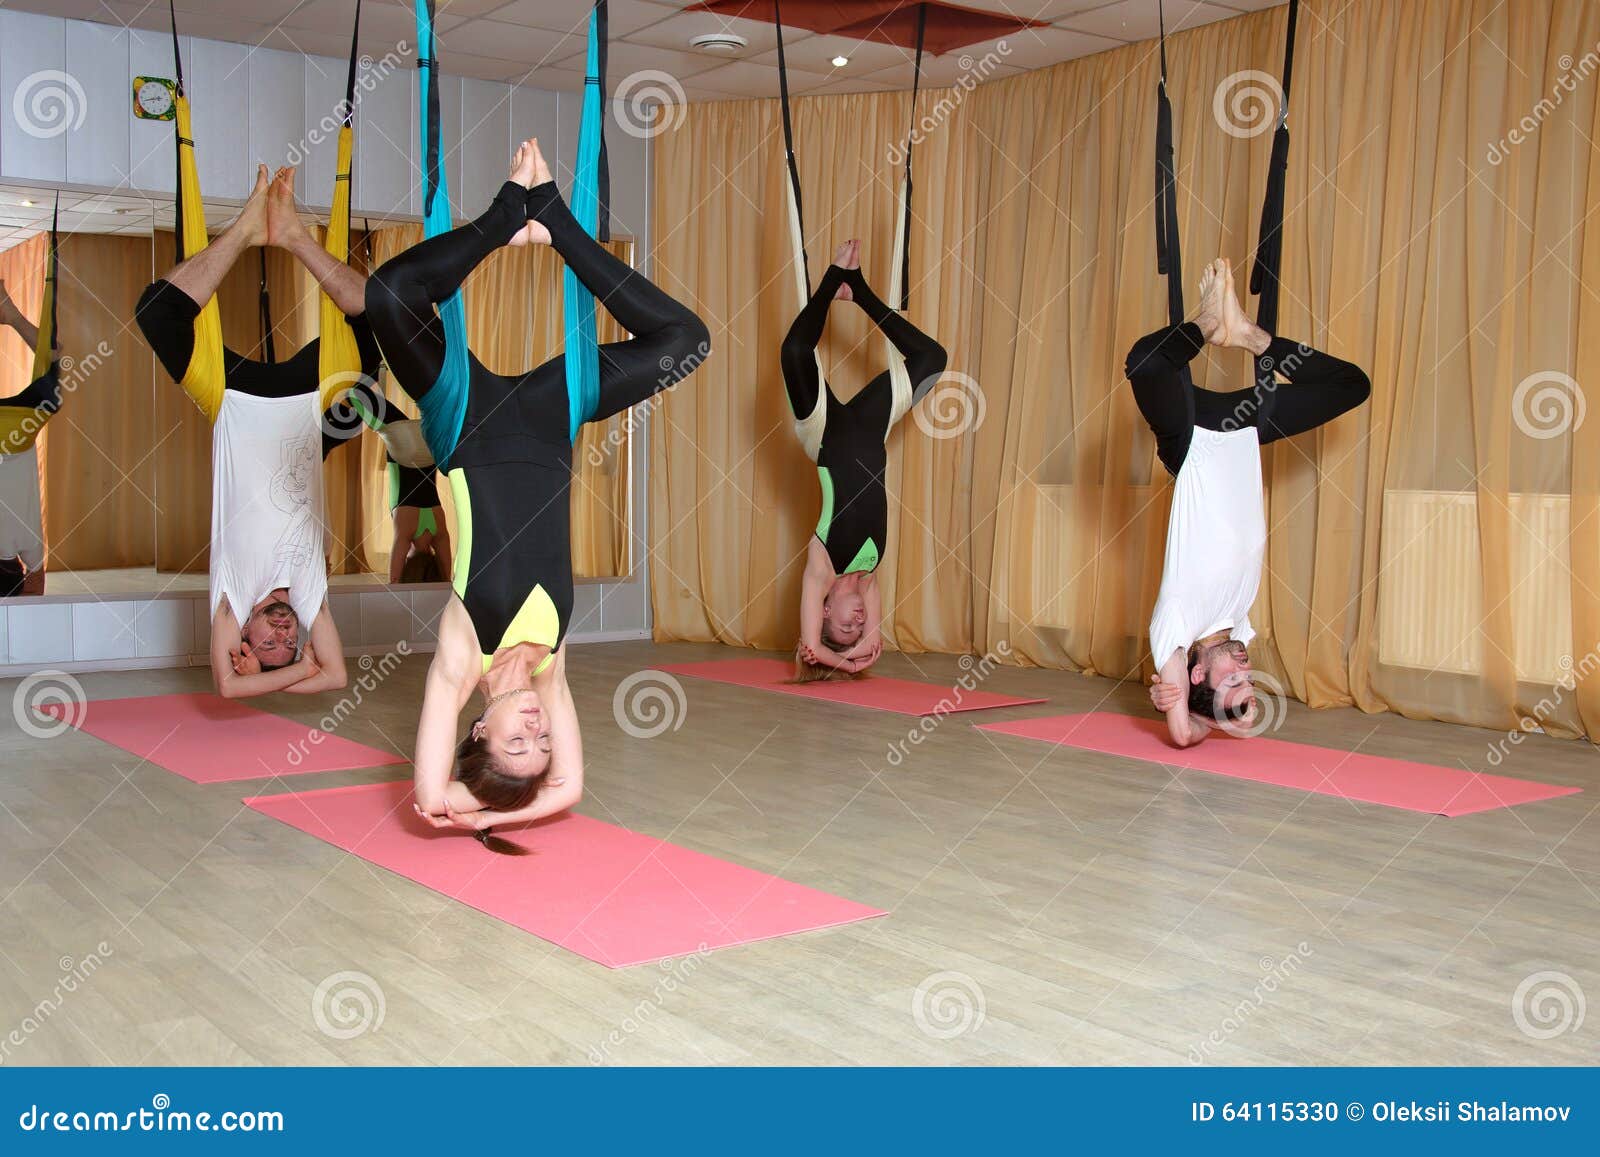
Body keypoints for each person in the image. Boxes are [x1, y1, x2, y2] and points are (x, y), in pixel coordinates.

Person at [365, 138, 708, 850]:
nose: (536, 733)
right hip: (552, 419)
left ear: (479, 728)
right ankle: (553, 217)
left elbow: (430, 796)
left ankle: (500, 217)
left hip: (465, 418)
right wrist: (506, 812)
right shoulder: (551, 671)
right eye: (541, 745)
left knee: (388, 297)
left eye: (515, 746)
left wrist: (478, 813)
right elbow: (571, 788)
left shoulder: (462, 660)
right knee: (687, 339)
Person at [135, 165, 380, 698]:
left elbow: (227, 689)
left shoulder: (233, 596)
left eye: (265, 645)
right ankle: (292, 237)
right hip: (310, 413)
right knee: (385, 325)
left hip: (234, 402)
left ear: (242, 637)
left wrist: (281, 671)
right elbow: (337, 676)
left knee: (155, 313)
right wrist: (307, 667)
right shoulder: (311, 597)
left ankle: (246, 231)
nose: (283, 635)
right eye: (289, 645)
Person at [1131, 258, 1370, 746]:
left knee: (1147, 363)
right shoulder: (1237, 621)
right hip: (1243, 431)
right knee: (1352, 385)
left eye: (1234, 680)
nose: (1246, 669)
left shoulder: (1175, 625)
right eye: (1250, 680)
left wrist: (1177, 704)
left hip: (1190, 442)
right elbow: (1239, 728)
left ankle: (1207, 321)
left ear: (1194, 676)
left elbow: (1182, 735)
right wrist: (1230, 713)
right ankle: (1247, 335)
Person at [780, 239, 946, 681]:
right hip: (872, 430)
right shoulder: (869, 576)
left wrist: (839, 659)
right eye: (858, 629)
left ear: (825, 608)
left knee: (795, 354)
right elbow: (870, 630)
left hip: (825, 431)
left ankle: (834, 278)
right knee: (932, 360)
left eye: (842, 626)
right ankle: (860, 292)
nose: (855, 625)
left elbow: (810, 645)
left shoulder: (822, 567)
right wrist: (867, 644)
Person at [0, 279, 58, 596]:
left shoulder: (25, 544)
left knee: (57, 372)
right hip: (15, 431)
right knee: (57, 371)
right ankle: (10, 315)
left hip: (17, 430)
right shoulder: (24, 544)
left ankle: (11, 315)